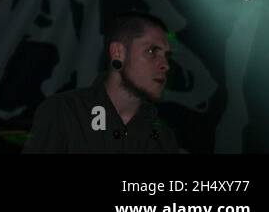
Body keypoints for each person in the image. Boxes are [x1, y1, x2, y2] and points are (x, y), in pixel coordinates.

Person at [23, 11, 181, 153]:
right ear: (118, 53)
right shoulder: (64, 112)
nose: (165, 65)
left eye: (167, 56)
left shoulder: (162, 136)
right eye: (152, 51)